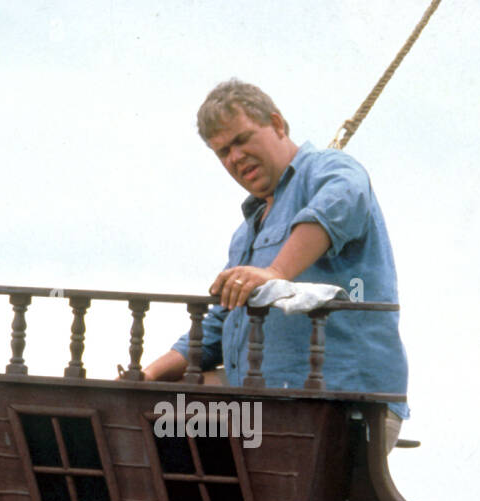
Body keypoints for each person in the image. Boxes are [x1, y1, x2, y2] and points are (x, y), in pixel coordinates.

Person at [142, 79, 409, 450]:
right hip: (264, 409)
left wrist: (276, 273)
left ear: (277, 124)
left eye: (241, 140)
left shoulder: (330, 169)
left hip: (339, 405)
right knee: (154, 426)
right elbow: (224, 321)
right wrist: (150, 375)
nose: (234, 158)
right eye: (222, 152)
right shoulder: (247, 231)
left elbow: (341, 202)